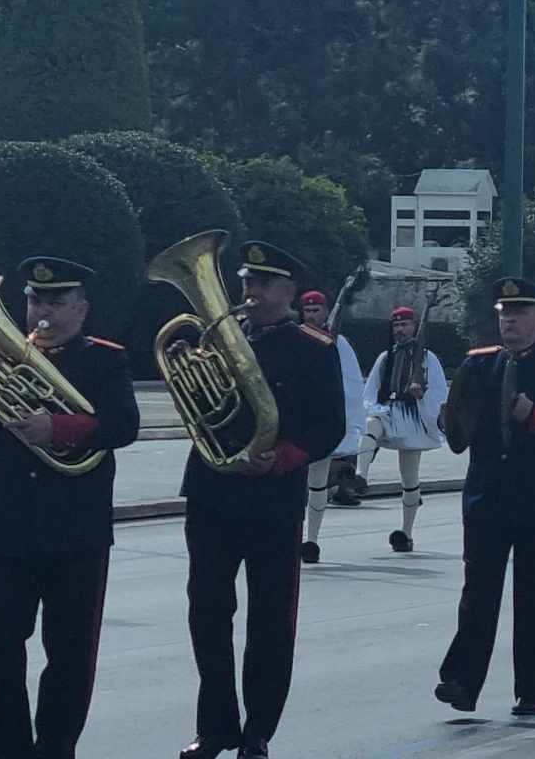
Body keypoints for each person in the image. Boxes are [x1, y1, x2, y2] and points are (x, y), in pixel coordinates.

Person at [0, 257, 141, 759]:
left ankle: (55, 748)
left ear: (81, 309)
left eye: (56, 302)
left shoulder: (105, 360)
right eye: (35, 301)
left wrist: (57, 429)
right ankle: (9, 743)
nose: (43, 313)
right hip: (7, 526)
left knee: (71, 654)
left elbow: (123, 425)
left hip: (77, 531)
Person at [176, 241, 346, 759]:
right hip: (212, 490)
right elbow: (199, 408)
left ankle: (258, 732)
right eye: (247, 281)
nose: (250, 292)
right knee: (207, 612)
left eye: (263, 283)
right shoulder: (214, 340)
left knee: (271, 619)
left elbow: (330, 425)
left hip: (273, 496)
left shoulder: (314, 347)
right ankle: (215, 727)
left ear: (289, 291)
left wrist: (285, 456)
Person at [434, 276, 535, 718]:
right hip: (487, 497)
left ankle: (530, 688)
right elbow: (461, 427)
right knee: (478, 592)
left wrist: (534, 415)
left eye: (519, 314)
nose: (510, 322)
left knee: (534, 594)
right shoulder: (477, 364)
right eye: (504, 315)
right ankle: (462, 680)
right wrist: (449, 423)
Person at [356, 304, 449, 552]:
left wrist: (422, 396)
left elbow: (440, 394)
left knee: (409, 478)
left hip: (413, 416)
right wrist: (376, 407)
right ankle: (361, 475)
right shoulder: (385, 357)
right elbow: (370, 391)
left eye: (404, 325)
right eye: (396, 325)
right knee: (370, 427)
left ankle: (406, 533)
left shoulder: (428, 359)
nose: (399, 330)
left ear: (414, 327)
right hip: (387, 412)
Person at [298, 289, 366, 565]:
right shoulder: (293, 337)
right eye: (308, 311)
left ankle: (311, 540)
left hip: (321, 422)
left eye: (317, 311)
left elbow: (349, 385)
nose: (312, 316)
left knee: (316, 483)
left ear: (325, 312)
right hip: (295, 421)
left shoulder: (338, 341)